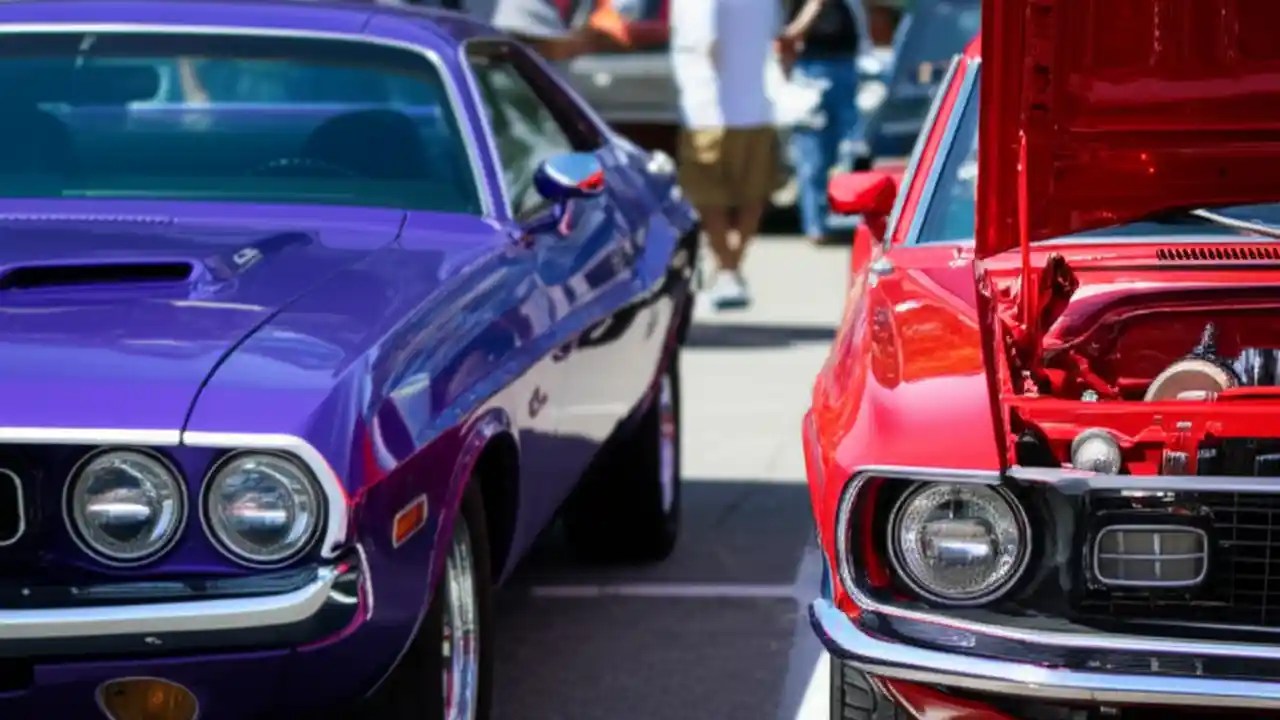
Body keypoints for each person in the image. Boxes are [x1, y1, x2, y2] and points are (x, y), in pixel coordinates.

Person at [669, 0, 780, 310]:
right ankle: (731, 269)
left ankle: (728, 270)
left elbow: (706, 40)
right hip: (756, 108)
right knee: (753, 194)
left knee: (707, 196)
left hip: (706, 110)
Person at [779, 0, 871, 245]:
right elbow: (787, 36)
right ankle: (815, 224)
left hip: (846, 67)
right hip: (811, 71)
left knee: (849, 149)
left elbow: (862, 33)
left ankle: (851, 217)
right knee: (812, 153)